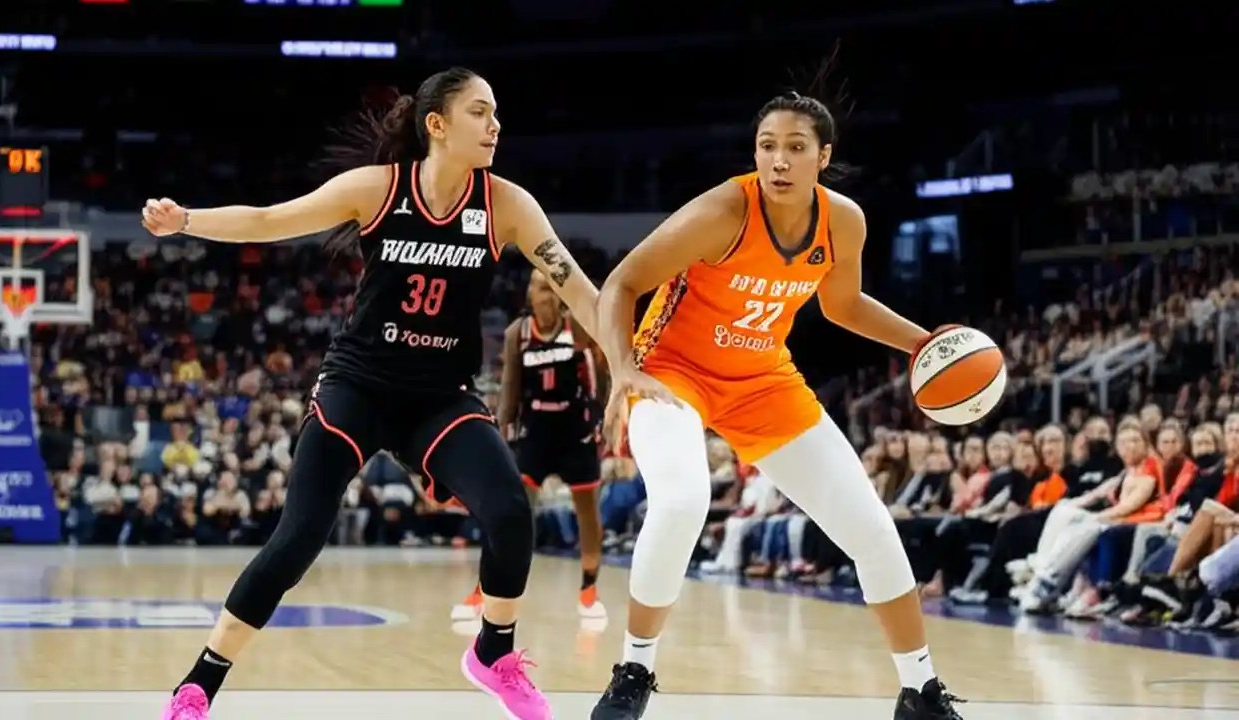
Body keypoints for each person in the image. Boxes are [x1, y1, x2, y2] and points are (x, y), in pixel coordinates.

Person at [142, 67, 600, 720]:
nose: (495, 124)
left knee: (509, 514)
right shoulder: (379, 190)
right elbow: (272, 220)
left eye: (496, 112)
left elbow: (579, 288)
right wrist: (186, 219)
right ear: (436, 125)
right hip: (357, 387)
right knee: (297, 539)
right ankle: (198, 685)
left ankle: (493, 653)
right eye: (480, 111)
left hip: (440, 396)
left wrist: (631, 354)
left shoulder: (509, 205)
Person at [589, 86, 965, 719]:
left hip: (762, 379)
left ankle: (920, 691)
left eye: (795, 148)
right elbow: (623, 281)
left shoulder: (842, 220)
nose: (779, 161)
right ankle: (633, 671)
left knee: (870, 528)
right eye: (767, 147)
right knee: (683, 501)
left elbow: (841, 305)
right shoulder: (722, 212)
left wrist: (923, 343)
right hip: (672, 373)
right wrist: (622, 371)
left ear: (823, 156)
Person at [453, 269, 609, 623]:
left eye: (552, 287)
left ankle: (589, 591)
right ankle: (484, 590)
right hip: (536, 432)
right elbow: (509, 390)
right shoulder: (517, 334)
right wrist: (499, 430)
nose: (546, 294)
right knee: (511, 513)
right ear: (529, 295)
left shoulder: (578, 327)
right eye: (539, 287)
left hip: (576, 430)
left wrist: (603, 416)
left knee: (588, 514)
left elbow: (602, 373)